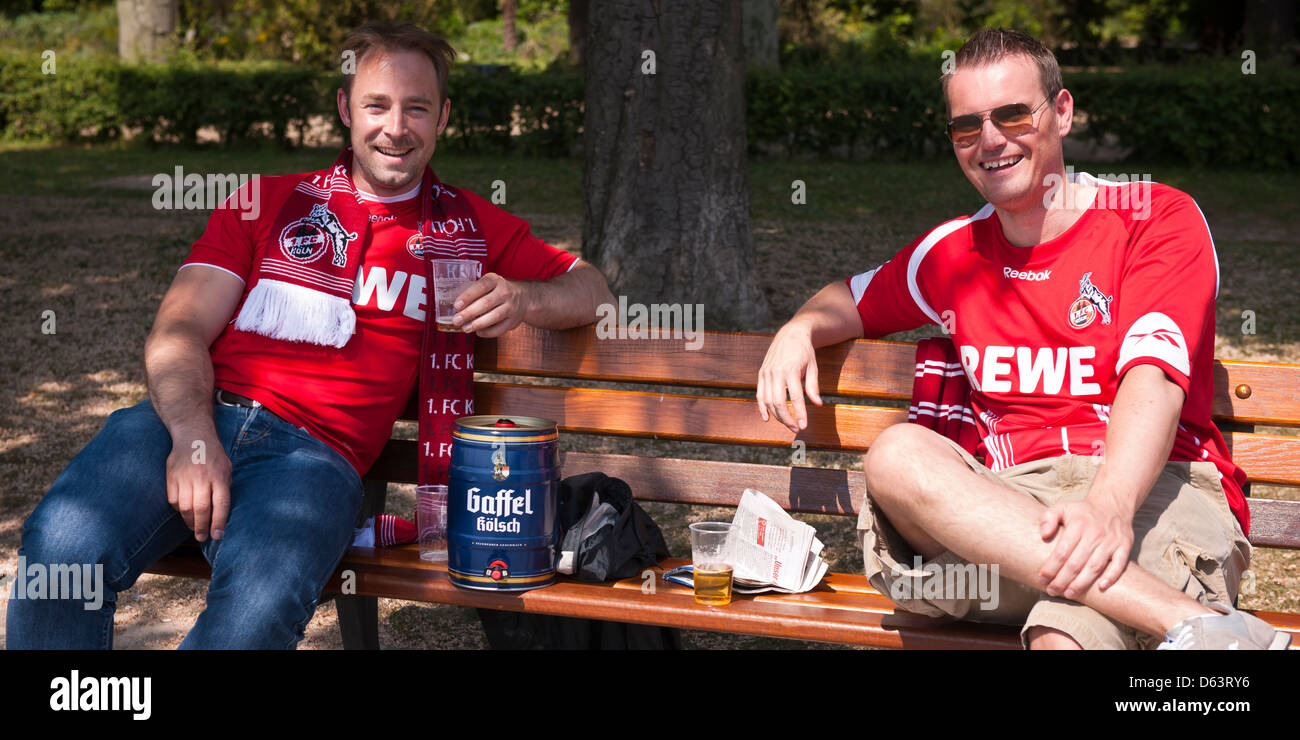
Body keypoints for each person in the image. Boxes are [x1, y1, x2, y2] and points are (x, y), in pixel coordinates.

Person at [7, 22, 614, 649]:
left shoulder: (471, 225)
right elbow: (178, 330)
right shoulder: (262, 204)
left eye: (417, 108)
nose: (396, 128)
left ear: (444, 117)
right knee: (60, 554)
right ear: (345, 109)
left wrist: (523, 296)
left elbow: (592, 290)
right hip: (191, 419)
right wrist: (192, 438)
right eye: (376, 105)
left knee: (256, 610)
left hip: (312, 462)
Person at [756, 28, 1289, 650]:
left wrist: (1109, 507)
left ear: (1061, 113)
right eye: (966, 127)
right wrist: (799, 328)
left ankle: (1154, 614)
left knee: (1066, 638)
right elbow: (844, 300)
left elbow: (1154, 374)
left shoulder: (1154, 217)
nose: (990, 140)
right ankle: (1192, 626)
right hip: (1003, 517)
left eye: (1012, 114)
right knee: (897, 454)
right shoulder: (953, 253)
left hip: (1154, 487)